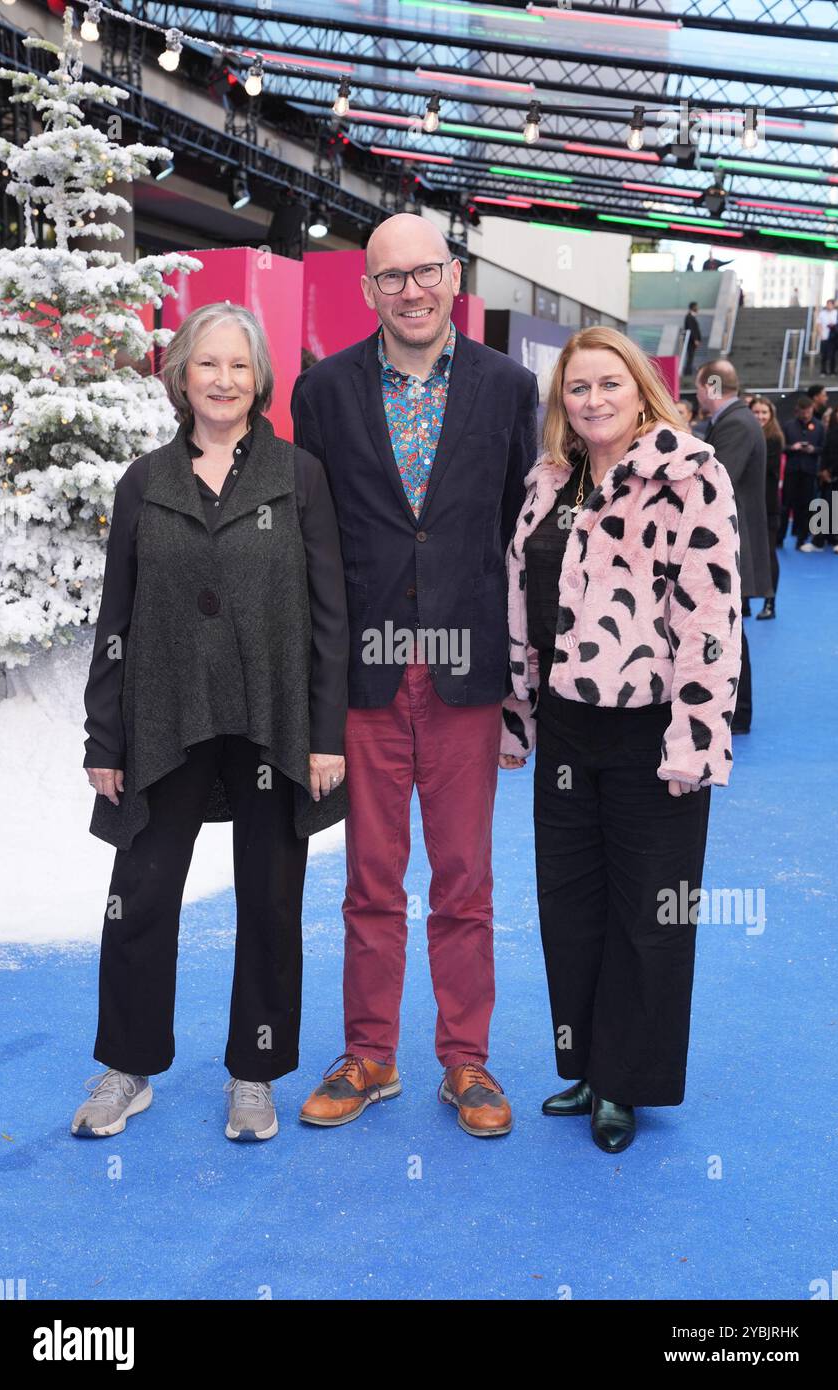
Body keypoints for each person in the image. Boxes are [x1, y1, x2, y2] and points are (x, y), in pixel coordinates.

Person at [74, 303, 350, 1143]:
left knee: (270, 900)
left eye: (239, 365)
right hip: (165, 717)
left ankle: (254, 1074)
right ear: (181, 376)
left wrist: (325, 734)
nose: (223, 380)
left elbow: (330, 616)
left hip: (272, 721)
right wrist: (103, 737)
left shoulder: (299, 477)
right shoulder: (144, 481)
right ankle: (128, 1067)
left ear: (259, 378)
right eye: (207, 364)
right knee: (140, 896)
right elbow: (116, 616)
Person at [290, 213, 538, 1138]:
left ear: (454, 276)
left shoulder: (509, 388)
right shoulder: (322, 393)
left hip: (467, 675)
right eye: (391, 277)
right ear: (368, 291)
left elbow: (519, 537)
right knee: (371, 880)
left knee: (465, 880)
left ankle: (466, 1060)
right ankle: (371, 1055)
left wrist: (521, 688)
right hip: (366, 675)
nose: (412, 291)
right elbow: (313, 545)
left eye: (426, 271)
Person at [499, 326, 742, 1155]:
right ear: (560, 401)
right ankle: (586, 1065)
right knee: (571, 909)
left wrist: (695, 740)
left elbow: (711, 619)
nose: (594, 399)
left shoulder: (691, 475)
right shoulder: (550, 483)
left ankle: (625, 1082)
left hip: (654, 729)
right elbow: (523, 607)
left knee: (651, 913)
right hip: (568, 727)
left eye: (610, 383)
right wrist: (517, 715)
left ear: (642, 389)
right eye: (578, 387)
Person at [695, 359, 771, 733]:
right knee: (729, 629)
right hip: (731, 541)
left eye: (698, 387)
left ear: (711, 386)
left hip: (732, 543)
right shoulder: (734, 420)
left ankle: (738, 712)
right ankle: (735, 710)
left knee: (730, 631)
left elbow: (714, 481)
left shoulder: (736, 424)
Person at [749, 396, 785, 618]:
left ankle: (770, 604)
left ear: (771, 415)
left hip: (768, 506)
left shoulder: (774, 439)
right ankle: (744, 602)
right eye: (756, 412)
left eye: (764, 412)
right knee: (744, 553)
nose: (760, 416)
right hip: (748, 505)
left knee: (769, 554)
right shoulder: (746, 434)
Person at [779, 395, 826, 552]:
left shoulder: (820, 427)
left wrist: (813, 449)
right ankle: (779, 538)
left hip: (809, 472)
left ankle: (801, 539)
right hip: (792, 471)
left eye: (808, 411)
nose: (805, 414)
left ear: (812, 409)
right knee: (785, 506)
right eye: (803, 412)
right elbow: (781, 446)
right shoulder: (788, 426)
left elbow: (824, 448)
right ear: (797, 410)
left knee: (806, 506)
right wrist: (792, 447)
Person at [813, 402, 838, 554]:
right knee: (824, 505)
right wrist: (823, 471)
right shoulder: (832, 431)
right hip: (827, 475)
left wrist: (832, 471)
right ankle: (819, 541)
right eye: (837, 412)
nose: (837, 414)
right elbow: (825, 451)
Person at [817, 300, 838, 376]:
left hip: (834, 337)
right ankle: (823, 370)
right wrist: (821, 334)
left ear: (833, 305)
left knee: (833, 354)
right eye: (827, 304)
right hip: (824, 336)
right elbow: (819, 324)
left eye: (830, 304)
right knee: (824, 355)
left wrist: (834, 326)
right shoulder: (822, 313)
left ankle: (832, 371)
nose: (828, 306)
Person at [683, 301, 701, 377]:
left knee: (691, 357)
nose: (698, 308)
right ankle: (687, 373)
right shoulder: (689, 317)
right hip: (690, 341)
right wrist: (695, 339)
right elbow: (691, 329)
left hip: (692, 341)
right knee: (690, 356)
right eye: (696, 306)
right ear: (693, 307)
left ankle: (688, 372)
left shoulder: (692, 317)